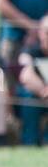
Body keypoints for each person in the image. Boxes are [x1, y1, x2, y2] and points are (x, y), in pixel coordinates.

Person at [17, 15, 48, 145]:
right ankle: (30, 141)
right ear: (40, 33)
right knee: (28, 96)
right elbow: (26, 75)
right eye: (47, 32)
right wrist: (43, 90)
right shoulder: (30, 51)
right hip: (38, 95)